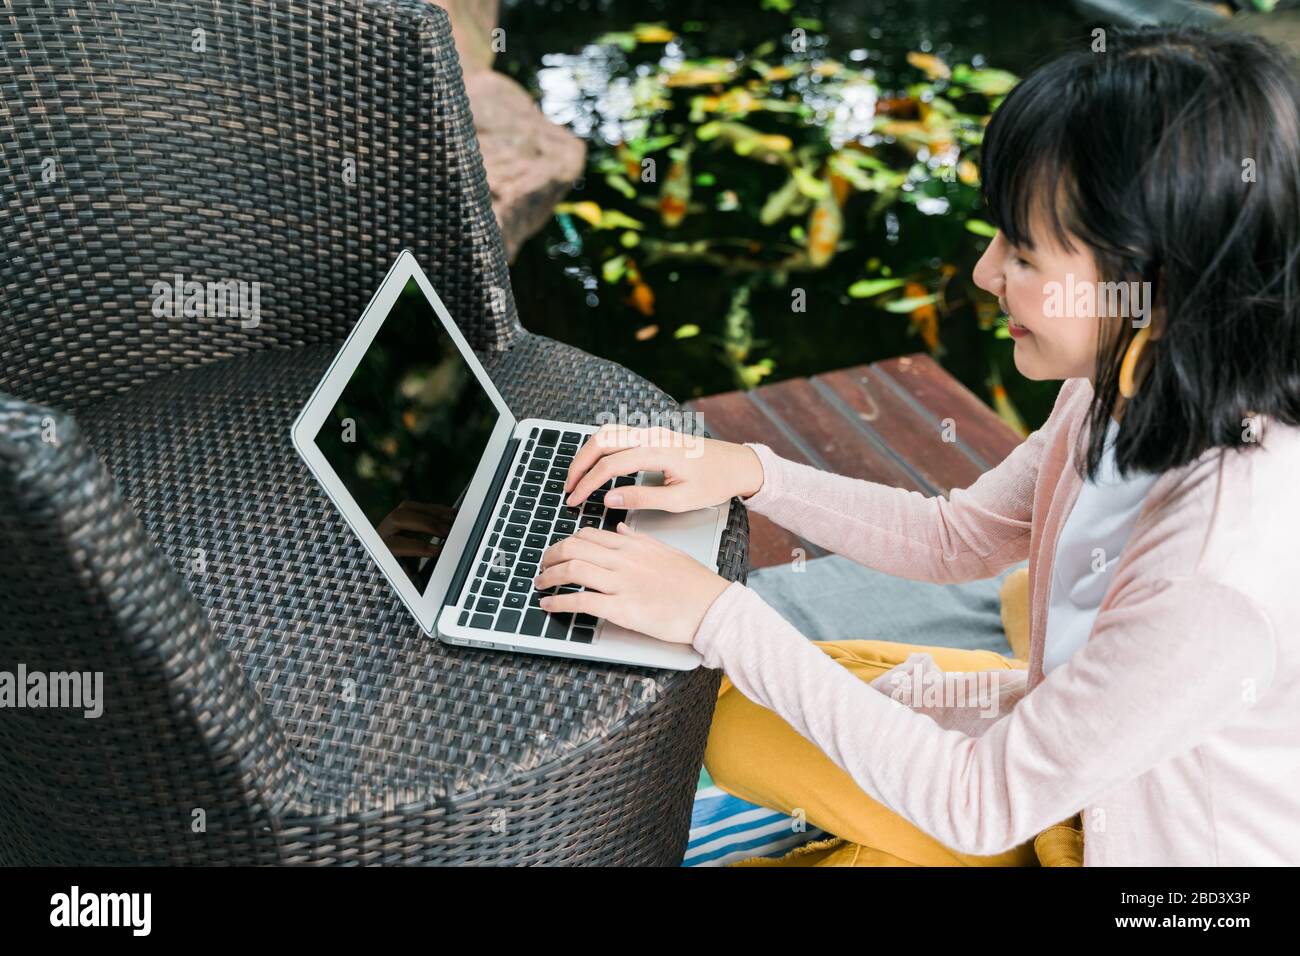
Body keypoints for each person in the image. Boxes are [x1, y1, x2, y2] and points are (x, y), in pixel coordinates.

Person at [531, 27, 1300, 866]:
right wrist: (749, 471)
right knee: (730, 725)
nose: (983, 272)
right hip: (1056, 771)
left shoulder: (1221, 571)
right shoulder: (1120, 376)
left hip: (1136, 855)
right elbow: (961, 535)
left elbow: (977, 805)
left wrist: (713, 613)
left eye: (1023, 252)